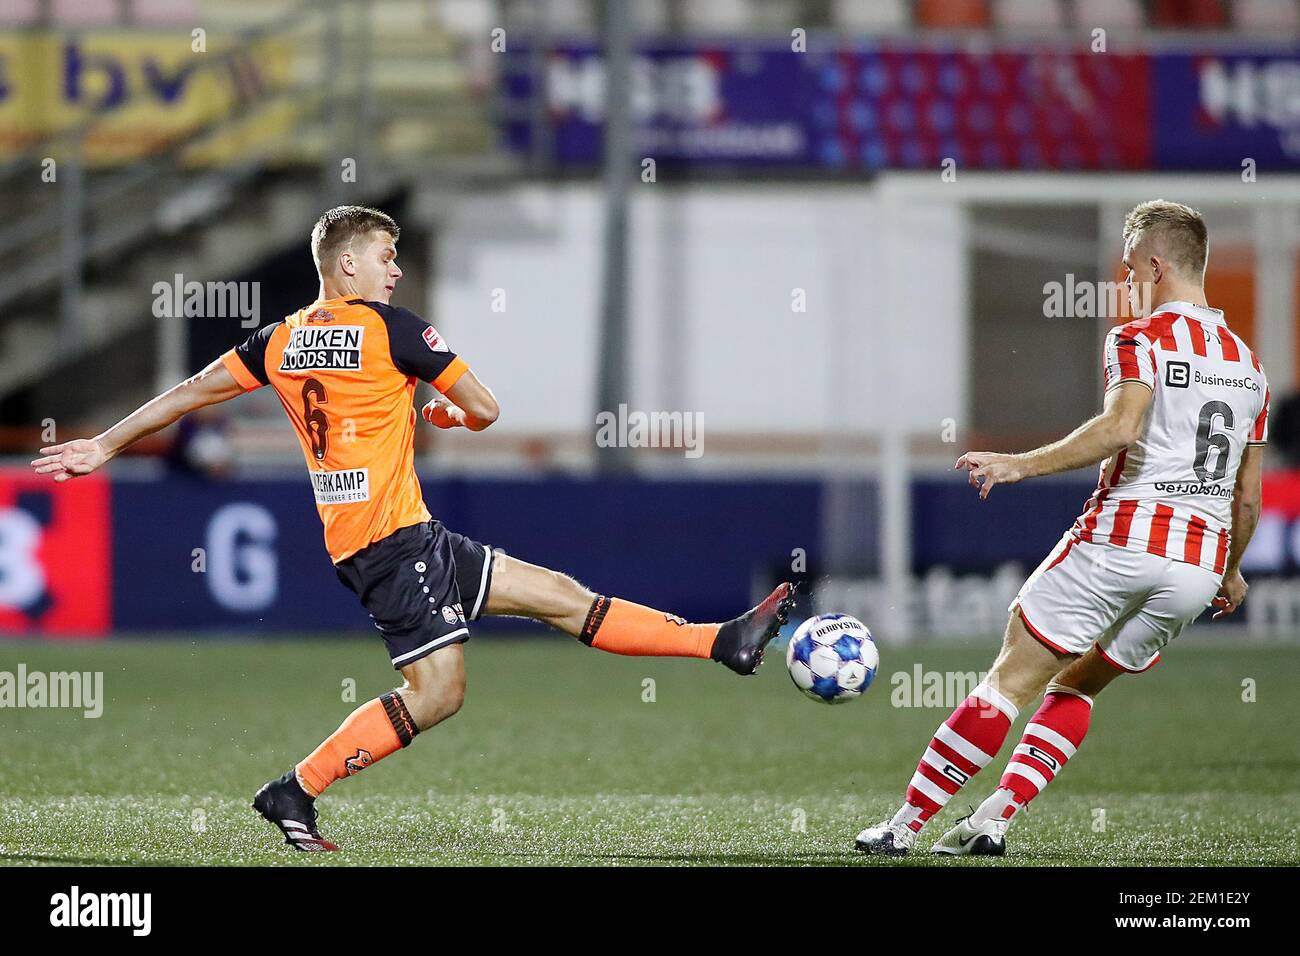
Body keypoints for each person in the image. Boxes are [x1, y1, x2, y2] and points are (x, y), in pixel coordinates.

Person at [32, 205, 795, 852]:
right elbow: (488, 409)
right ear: (347, 267)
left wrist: (104, 444)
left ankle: (719, 641)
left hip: (393, 537)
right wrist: (447, 409)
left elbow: (191, 391)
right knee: (438, 694)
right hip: (393, 545)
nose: (395, 271)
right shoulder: (392, 331)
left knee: (561, 595)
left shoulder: (282, 339)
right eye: (385, 257)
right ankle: (294, 789)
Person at [855, 200, 1269, 857]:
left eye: (1131, 268)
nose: (1126, 281)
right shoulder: (1250, 368)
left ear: (1156, 266)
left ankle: (903, 825)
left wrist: (1020, 463)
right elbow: (1247, 496)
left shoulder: (1139, 338)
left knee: (1009, 679)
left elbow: (1121, 429)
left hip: (1123, 539)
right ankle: (993, 819)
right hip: (1195, 568)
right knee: (1076, 685)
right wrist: (1230, 569)